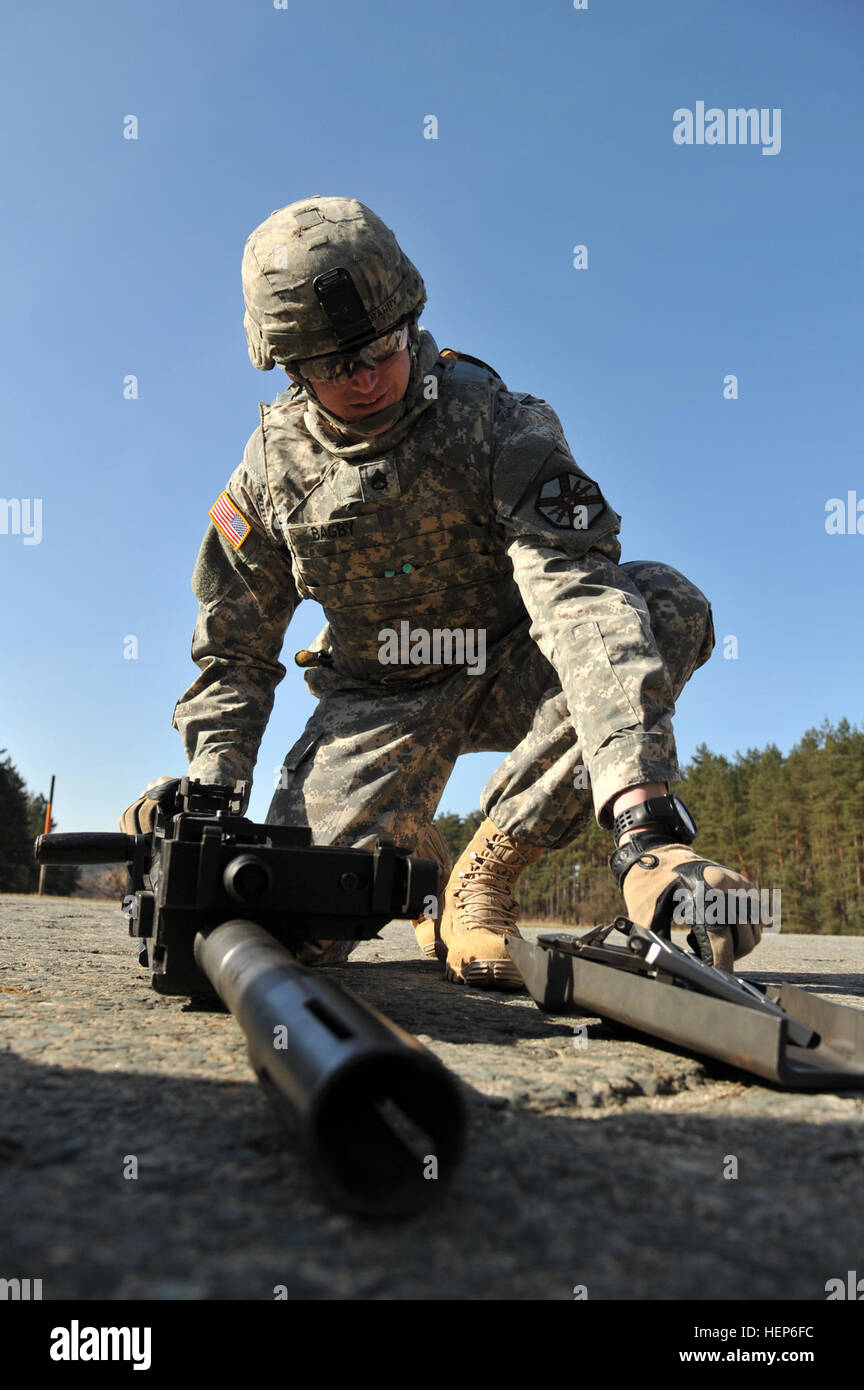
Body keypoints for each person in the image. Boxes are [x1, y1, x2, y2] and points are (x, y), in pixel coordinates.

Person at [121, 195, 763, 989]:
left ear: (411, 318)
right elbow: (235, 650)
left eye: (380, 348)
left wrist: (647, 829)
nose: (364, 380)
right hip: (377, 699)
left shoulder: (497, 422)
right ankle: (415, 858)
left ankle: (484, 877)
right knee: (282, 932)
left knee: (665, 605)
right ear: (289, 371)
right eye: (331, 366)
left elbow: (578, 600)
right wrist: (211, 792)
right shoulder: (267, 477)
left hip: (510, 669)